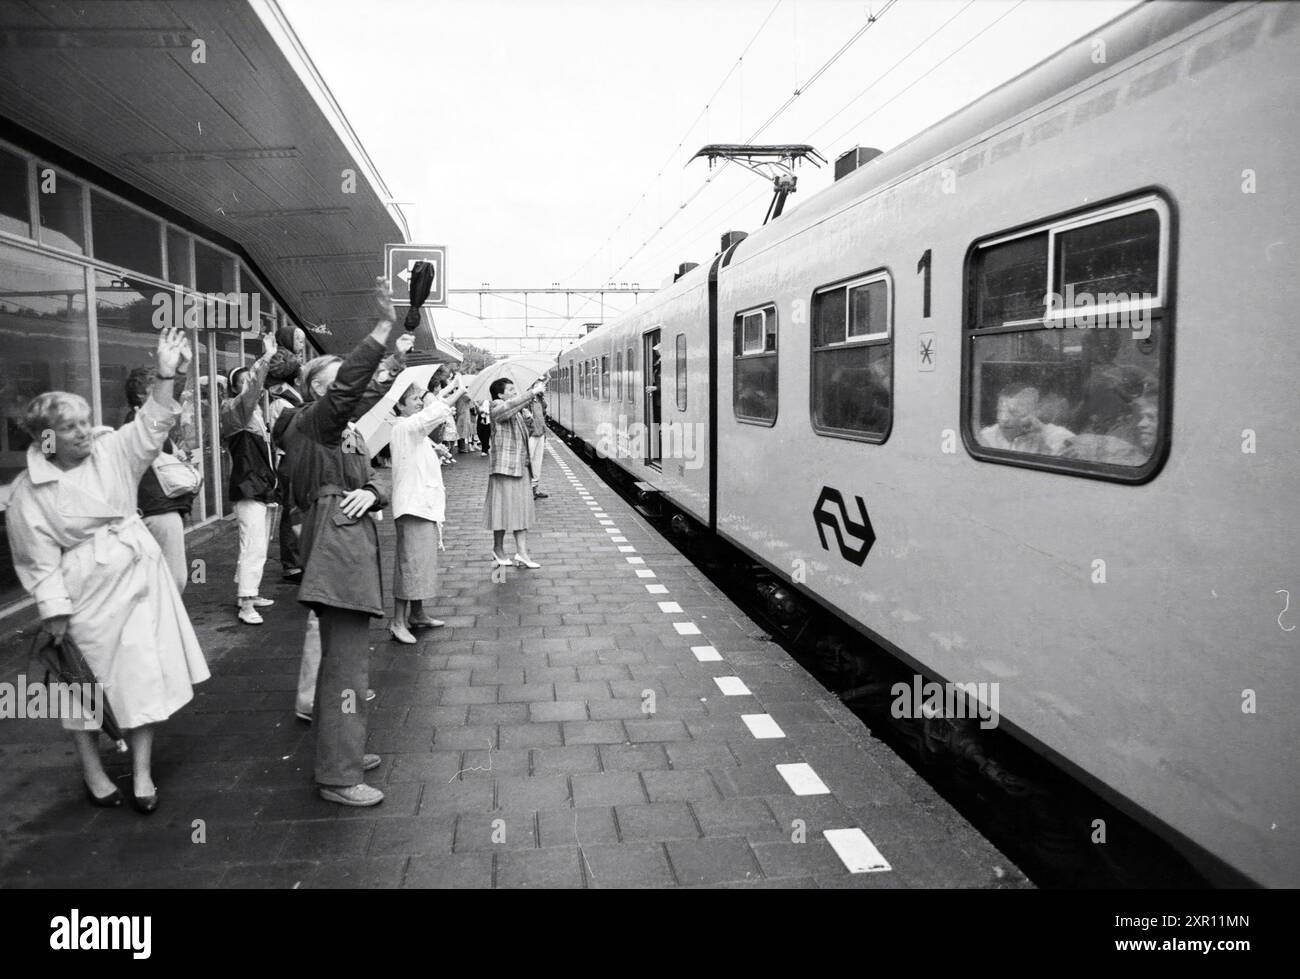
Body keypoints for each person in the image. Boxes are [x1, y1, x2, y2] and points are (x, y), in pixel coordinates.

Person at [6, 327, 209, 813]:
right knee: (83, 688)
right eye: (72, 426)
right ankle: (94, 771)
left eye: (85, 421)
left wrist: (166, 373)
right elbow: (38, 558)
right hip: (83, 596)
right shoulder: (27, 492)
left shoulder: (112, 450)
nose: (84, 432)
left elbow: (152, 426)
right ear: (44, 436)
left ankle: (141, 774)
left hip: (136, 580)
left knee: (141, 677)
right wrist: (53, 612)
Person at [278, 278, 397, 807]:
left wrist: (372, 492)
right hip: (338, 555)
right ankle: (339, 775)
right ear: (320, 390)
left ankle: (342, 750)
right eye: (340, 382)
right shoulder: (315, 421)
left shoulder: (335, 431)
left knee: (342, 661)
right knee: (347, 666)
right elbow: (355, 384)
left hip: (344, 550)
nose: (354, 389)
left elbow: (378, 479)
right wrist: (382, 329)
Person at [386, 374, 466, 644]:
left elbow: (422, 434)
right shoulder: (403, 428)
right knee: (410, 566)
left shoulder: (409, 429)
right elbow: (425, 421)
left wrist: (436, 451)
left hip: (423, 507)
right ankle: (397, 621)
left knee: (421, 564)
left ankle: (417, 614)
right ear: (399, 406)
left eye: (421, 398)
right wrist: (452, 395)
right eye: (414, 399)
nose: (420, 403)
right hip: (413, 508)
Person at [221, 331, 279, 624]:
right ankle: (245, 602)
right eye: (243, 383)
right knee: (252, 546)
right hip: (249, 486)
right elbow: (253, 390)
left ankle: (249, 592)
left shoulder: (250, 414)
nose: (251, 389)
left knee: (259, 545)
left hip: (259, 485)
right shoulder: (236, 411)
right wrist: (266, 358)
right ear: (235, 389)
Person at [124, 366, 196, 592]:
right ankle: (166, 622)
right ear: (141, 395)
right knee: (174, 578)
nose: (162, 395)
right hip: (158, 508)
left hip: (148, 507)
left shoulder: (135, 419)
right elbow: (161, 424)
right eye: (155, 389)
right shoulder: (143, 420)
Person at [485, 377, 546, 569]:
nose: (513, 392)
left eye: (514, 389)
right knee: (501, 511)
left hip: (519, 468)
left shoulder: (516, 410)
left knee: (521, 511)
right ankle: (498, 549)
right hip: (504, 469)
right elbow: (505, 409)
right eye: (510, 389)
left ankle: (522, 553)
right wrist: (530, 394)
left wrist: (528, 411)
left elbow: (531, 428)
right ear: (500, 394)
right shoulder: (496, 407)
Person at [978, 384, 1073, 456]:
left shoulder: (1050, 434)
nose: (1003, 418)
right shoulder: (987, 436)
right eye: (1000, 411)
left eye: (1013, 412)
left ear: (1032, 413)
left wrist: (1042, 431)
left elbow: (1073, 448)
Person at [526, 390, 549, 499]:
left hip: (540, 433)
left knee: (537, 462)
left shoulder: (539, 398)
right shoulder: (525, 400)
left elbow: (543, 412)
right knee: (529, 461)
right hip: (530, 434)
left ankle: (535, 489)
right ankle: (528, 490)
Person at [454, 383, 475, 454]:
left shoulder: (456, 396)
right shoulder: (465, 396)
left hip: (459, 414)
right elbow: (472, 405)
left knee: (460, 431)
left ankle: (461, 447)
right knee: (463, 431)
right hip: (464, 415)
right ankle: (462, 448)